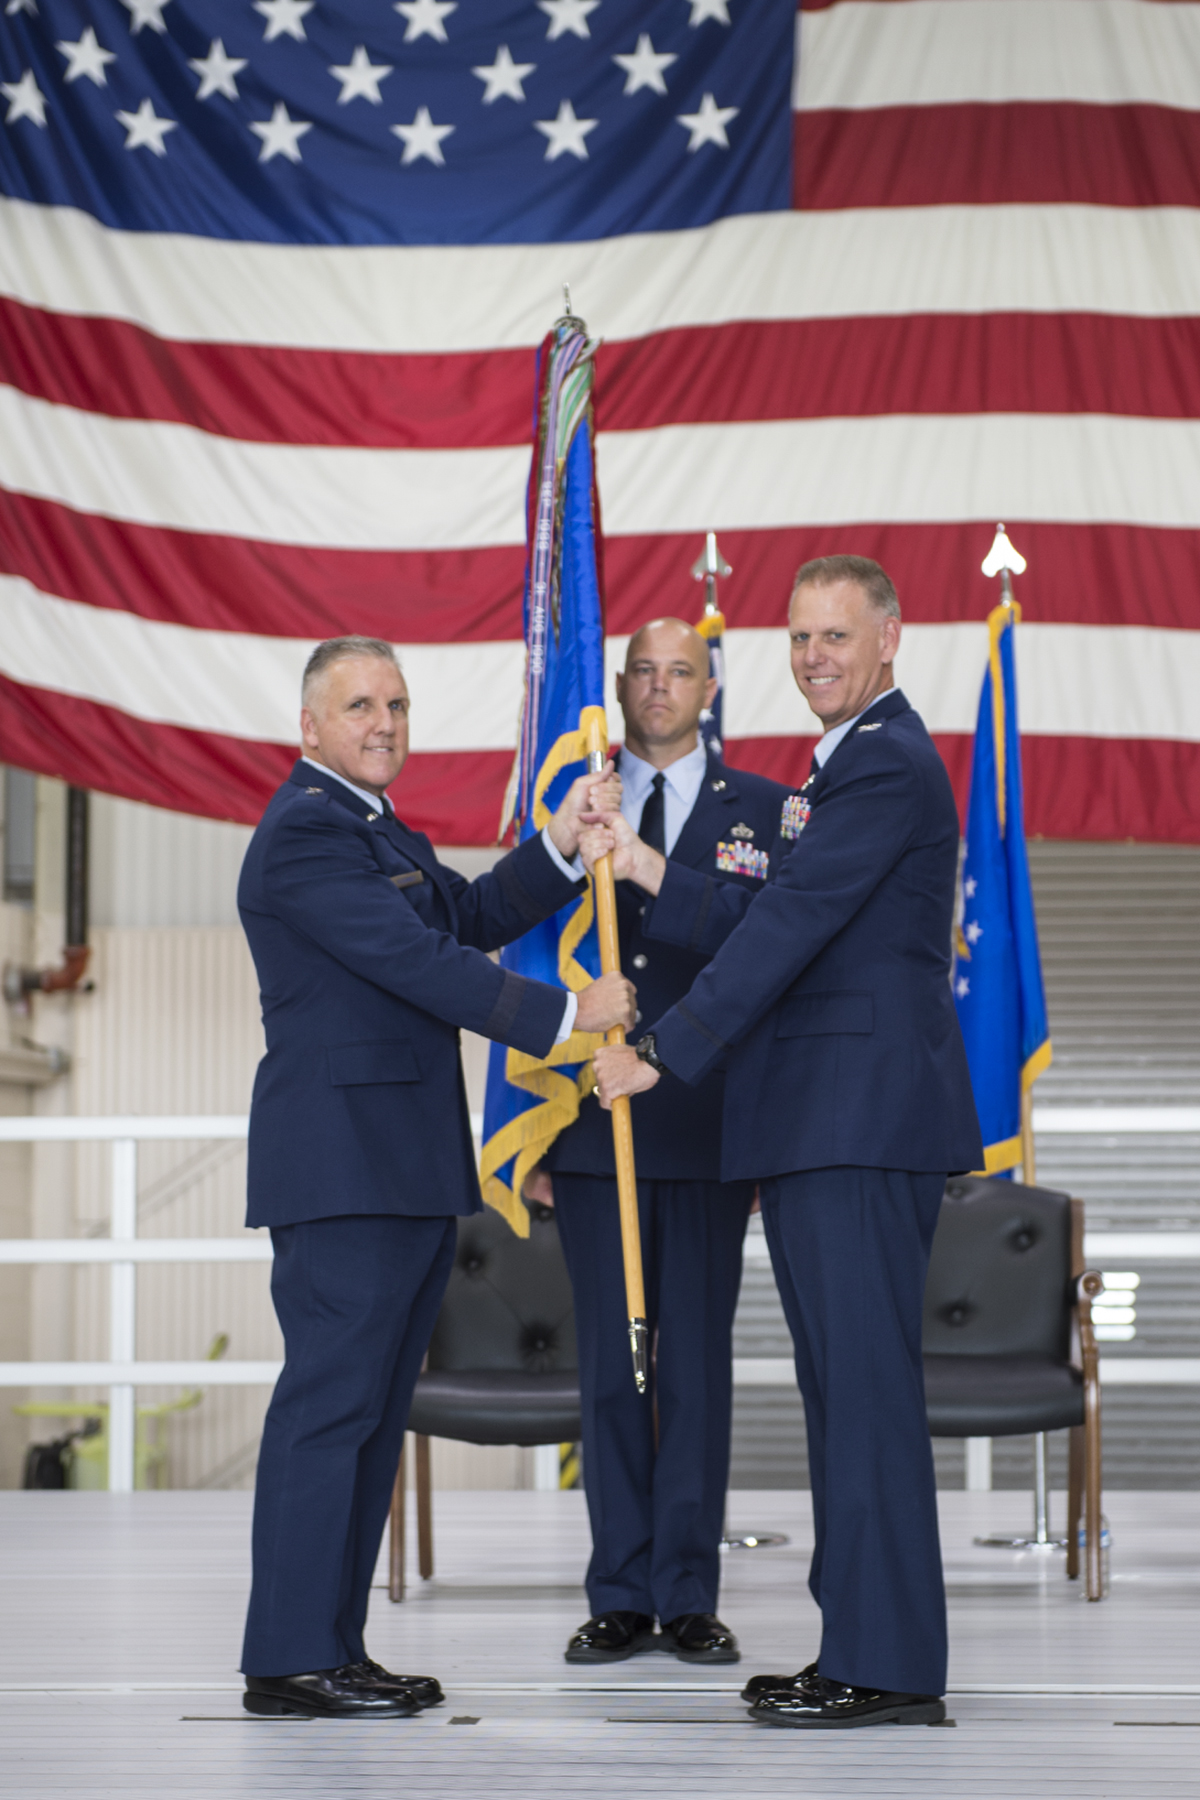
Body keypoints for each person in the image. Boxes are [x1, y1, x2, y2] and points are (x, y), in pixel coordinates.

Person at [592, 557, 984, 1729]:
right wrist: (655, 869)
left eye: (837, 635)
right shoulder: (849, 763)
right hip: (827, 1124)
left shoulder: (884, 763)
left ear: (891, 638)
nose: (815, 655)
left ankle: (889, 1665)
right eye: (801, 637)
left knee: (862, 1397)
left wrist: (659, 1048)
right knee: (841, 1397)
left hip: (856, 1123)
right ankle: (861, 1646)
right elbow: (775, 912)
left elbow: (792, 929)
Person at [237, 635, 635, 1719]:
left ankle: (331, 1644)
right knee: (331, 1410)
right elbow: (419, 964)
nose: (383, 723)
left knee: (370, 1416)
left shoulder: (371, 828)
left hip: (402, 1168)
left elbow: (459, 918)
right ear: (309, 726)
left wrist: (558, 845)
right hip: (342, 1171)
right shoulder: (306, 836)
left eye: (398, 704)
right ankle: (285, 1658)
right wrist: (566, 1016)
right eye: (359, 705)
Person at [531, 619, 789, 1667]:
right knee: (610, 1372)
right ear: (622, 685)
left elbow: (769, 946)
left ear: (711, 685)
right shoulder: (577, 802)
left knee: (693, 1365)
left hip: (707, 1121)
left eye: (680, 669)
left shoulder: (765, 812)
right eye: (643, 669)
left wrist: (644, 871)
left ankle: (687, 1592)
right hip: (595, 1126)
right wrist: (537, 1123)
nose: (660, 685)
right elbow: (523, 941)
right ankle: (618, 1592)